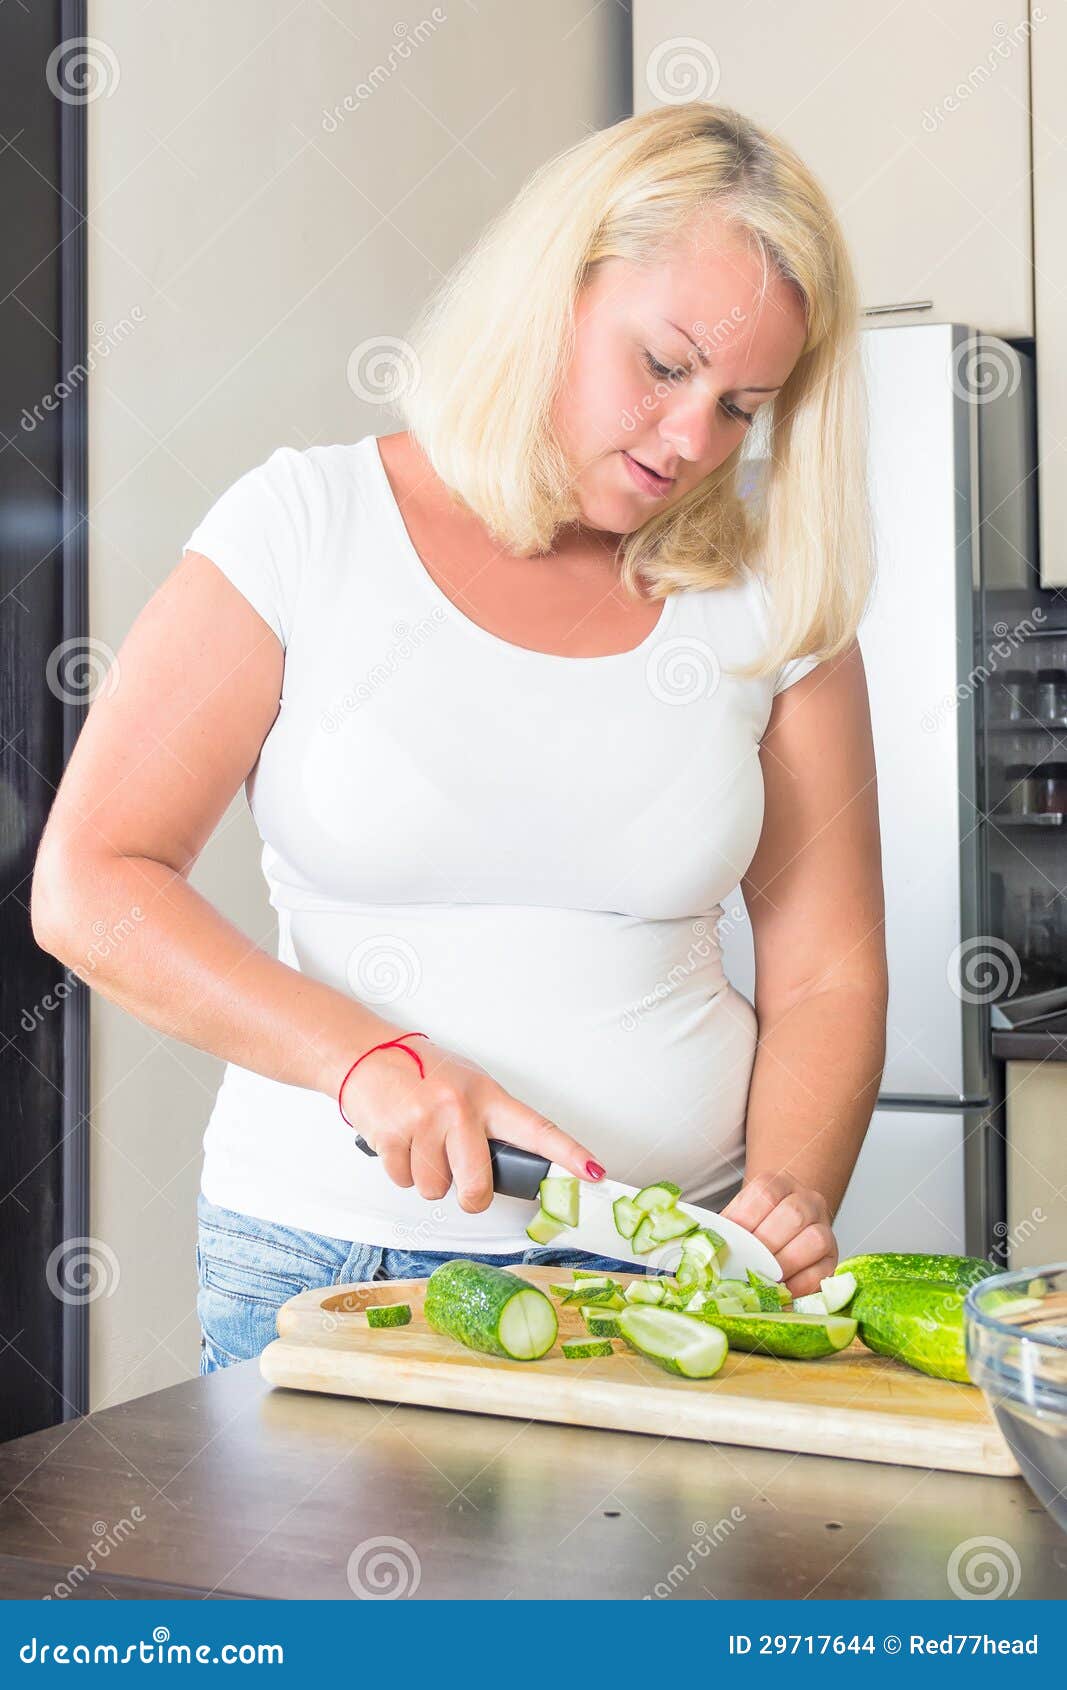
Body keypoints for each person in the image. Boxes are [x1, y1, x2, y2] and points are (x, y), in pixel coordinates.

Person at [31, 102, 888, 1374]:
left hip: (671, 1273)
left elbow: (825, 973)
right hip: (333, 1266)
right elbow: (90, 885)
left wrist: (785, 1199)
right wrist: (364, 1058)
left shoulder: (768, 595)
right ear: (554, 290)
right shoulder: (307, 524)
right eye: (663, 367)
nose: (689, 441)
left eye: (740, 408)